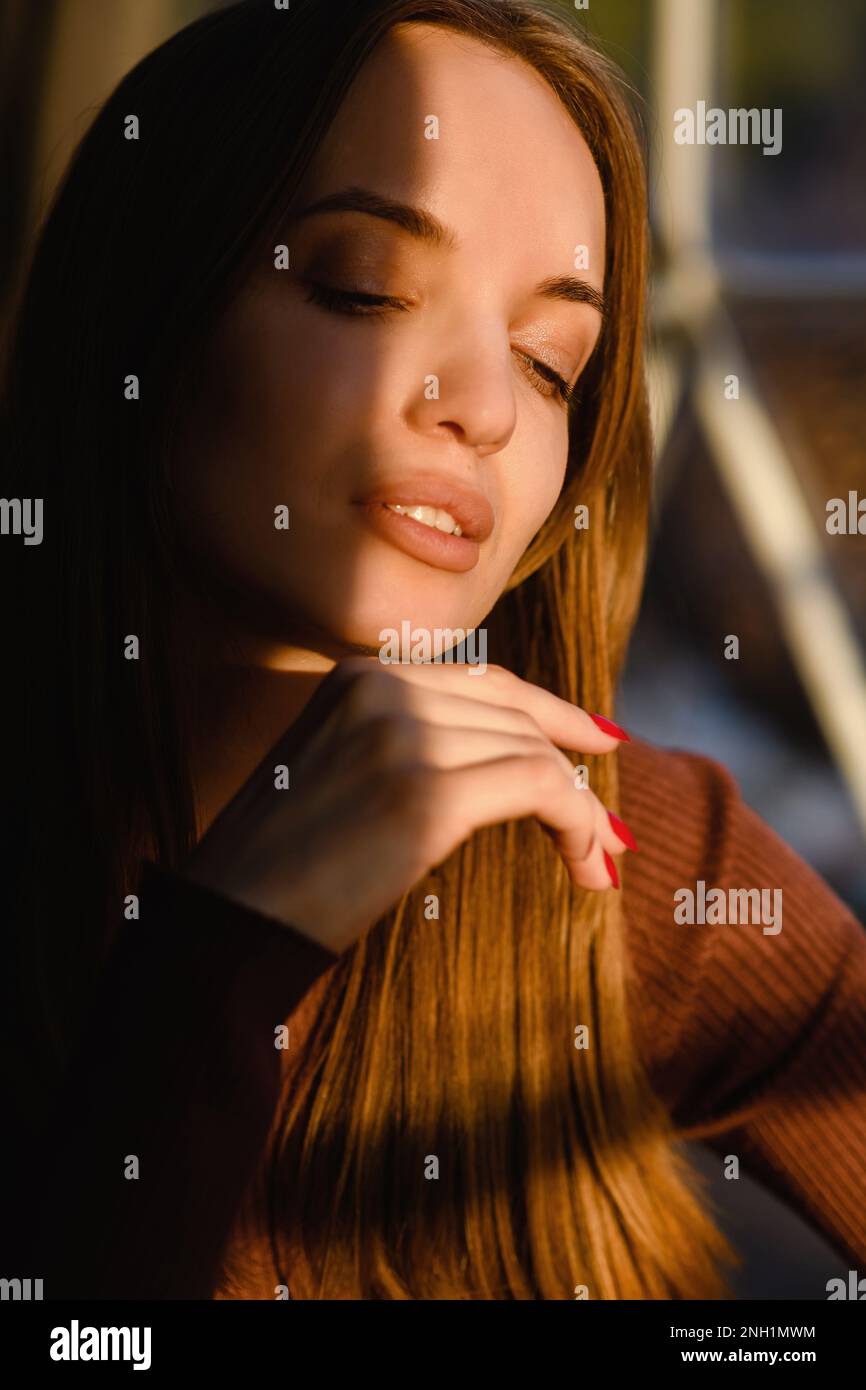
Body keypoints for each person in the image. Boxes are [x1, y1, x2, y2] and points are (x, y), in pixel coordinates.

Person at [1, 0, 863, 1301]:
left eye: (549, 361)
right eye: (363, 289)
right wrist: (224, 959)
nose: (481, 409)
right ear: (145, 302)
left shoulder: (627, 859)